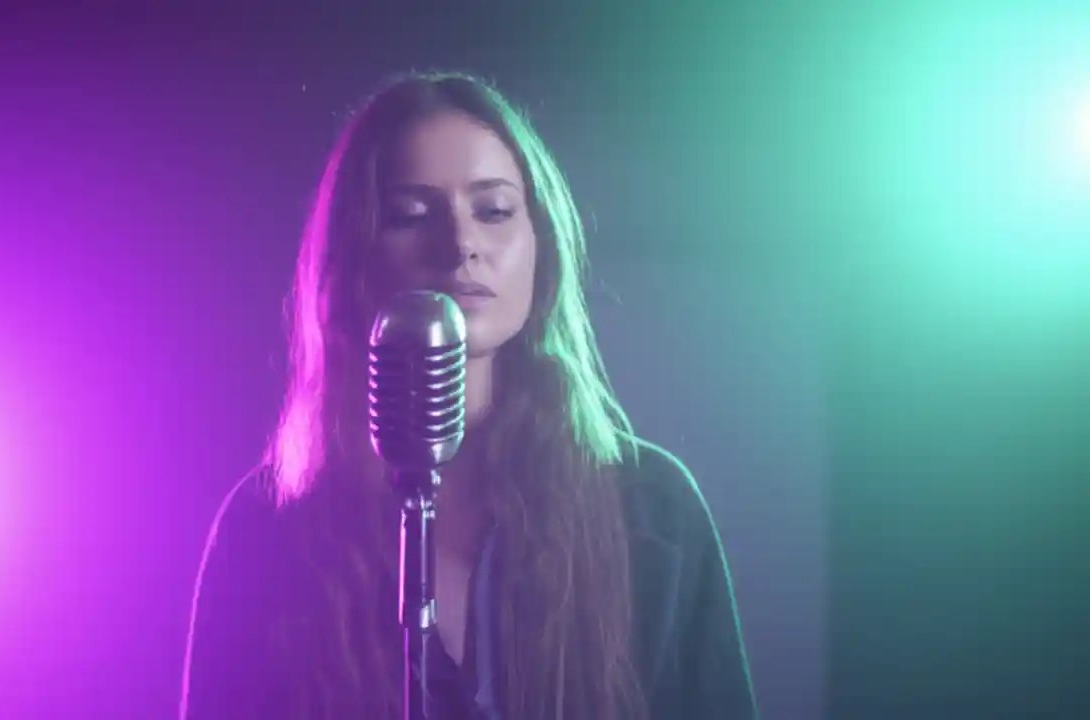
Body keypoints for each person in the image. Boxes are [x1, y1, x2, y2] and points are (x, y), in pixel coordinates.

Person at [180, 71, 757, 719]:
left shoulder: (653, 510)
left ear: (542, 245)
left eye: (495, 211)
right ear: (354, 258)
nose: (460, 246)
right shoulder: (268, 529)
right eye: (411, 216)